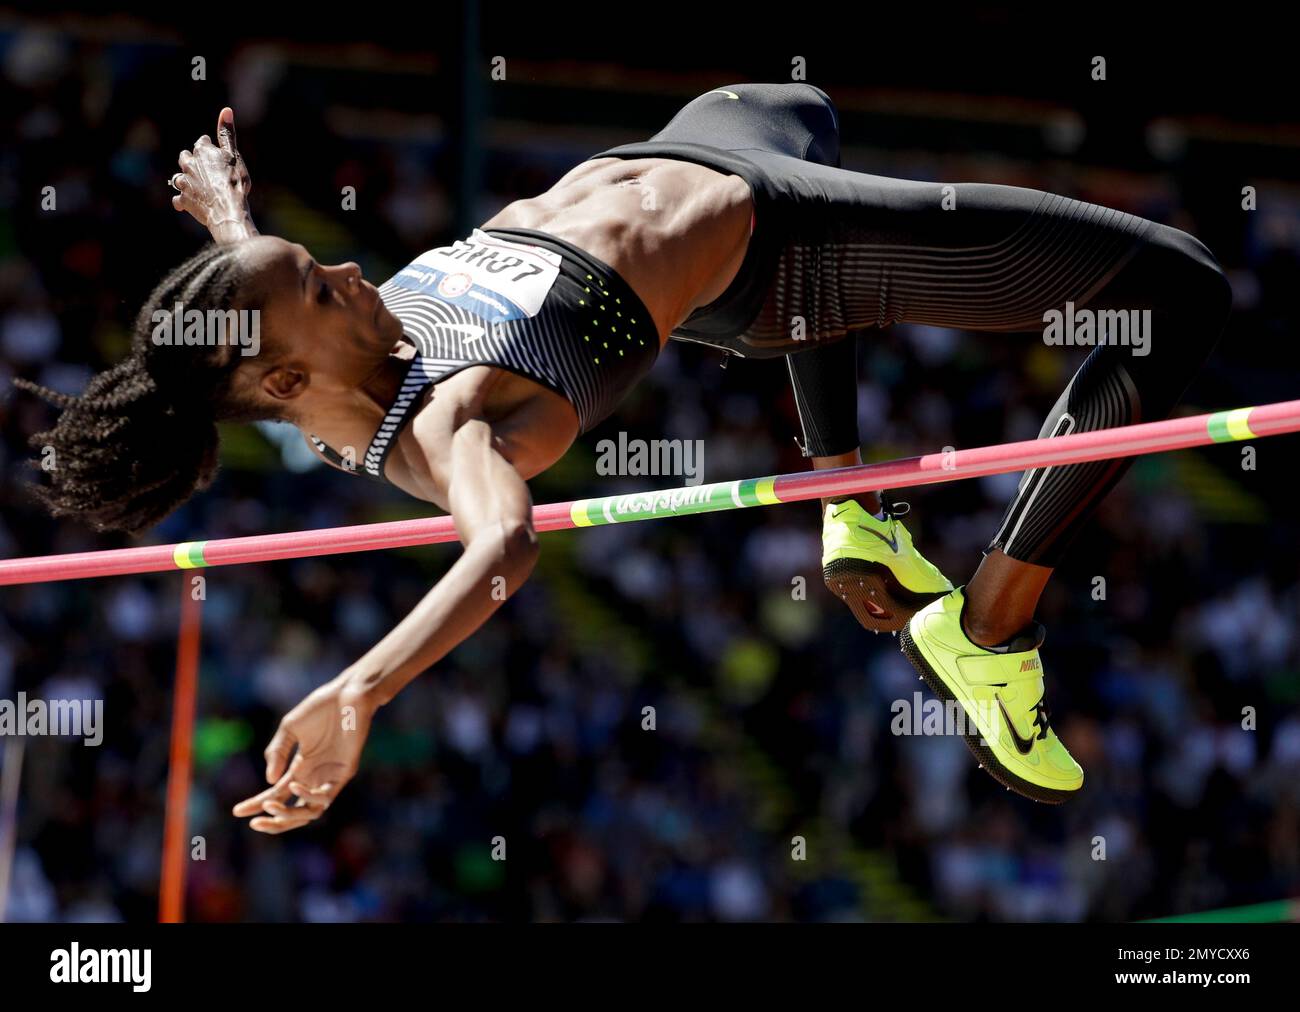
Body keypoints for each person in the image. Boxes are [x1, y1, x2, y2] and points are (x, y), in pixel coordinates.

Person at [16, 84, 1229, 828]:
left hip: (707, 150)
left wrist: (231, 218)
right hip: (782, 251)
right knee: (1175, 285)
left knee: (790, 97)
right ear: (290, 379)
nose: (352, 270)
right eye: (329, 287)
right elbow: (502, 542)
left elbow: (267, 311)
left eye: (321, 262)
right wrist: (360, 688)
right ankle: (993, 624)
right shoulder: (448, 425)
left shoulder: (324, 357)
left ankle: (847, 501)